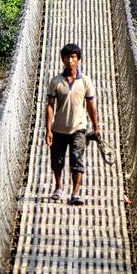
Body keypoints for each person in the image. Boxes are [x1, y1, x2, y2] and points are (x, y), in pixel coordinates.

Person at [45, 43, 99, 206]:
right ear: (62, 59)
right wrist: (48, 129)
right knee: (57, 161)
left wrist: (96, 126)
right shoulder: (55, 81)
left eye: (73, 57)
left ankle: (75, 193)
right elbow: (50, 106)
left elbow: (91, 105)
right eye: (67, 57)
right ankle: (59, 187)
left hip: (78, 128)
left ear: (79, 60)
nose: (70, 60)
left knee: (77, 160)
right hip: (58, 128)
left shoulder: (85, 81)